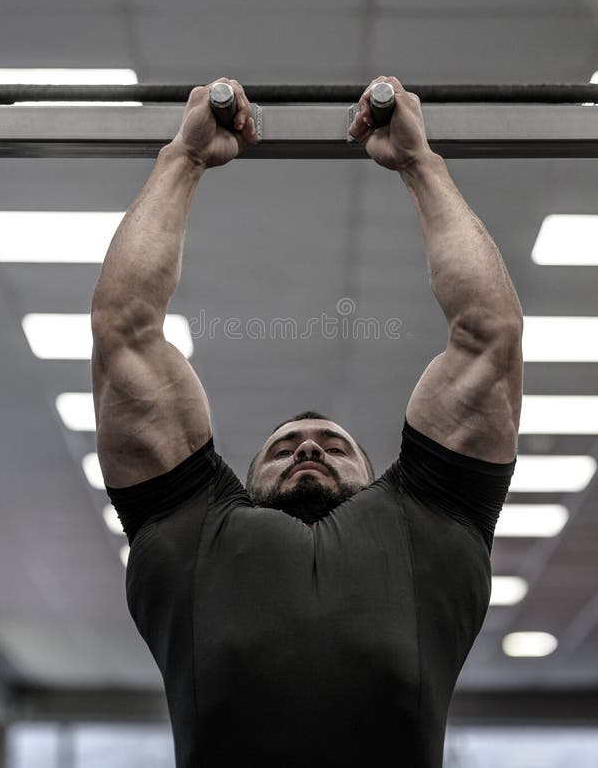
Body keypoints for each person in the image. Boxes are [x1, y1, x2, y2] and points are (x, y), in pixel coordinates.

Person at [91, 76, 523, 768]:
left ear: (374, 473)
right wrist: (183, 157)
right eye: (284, 448)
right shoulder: (185, 531)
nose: (308, 450)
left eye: (331, 447)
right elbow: (125, 331)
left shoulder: (432, 526)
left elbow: (488, 334)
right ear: (248, 477)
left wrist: (420, 163)